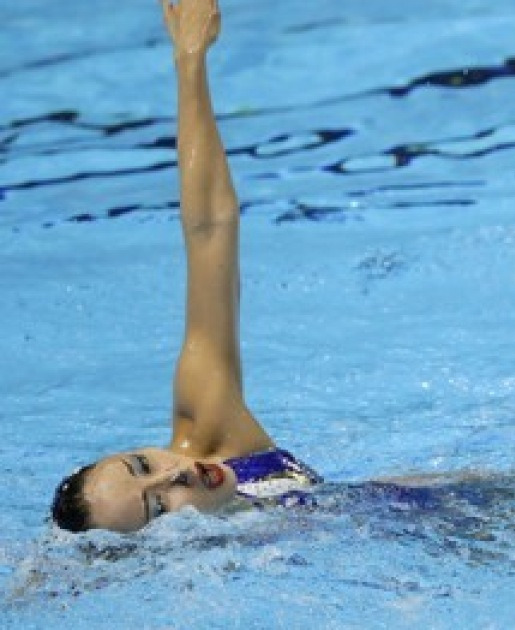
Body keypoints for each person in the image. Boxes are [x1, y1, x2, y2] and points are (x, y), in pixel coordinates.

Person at [50, 0, 322, 534]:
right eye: (158, 506)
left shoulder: (214, 431)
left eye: (144, 464)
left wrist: (190, 60)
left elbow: (209, 232)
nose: (178, 475)